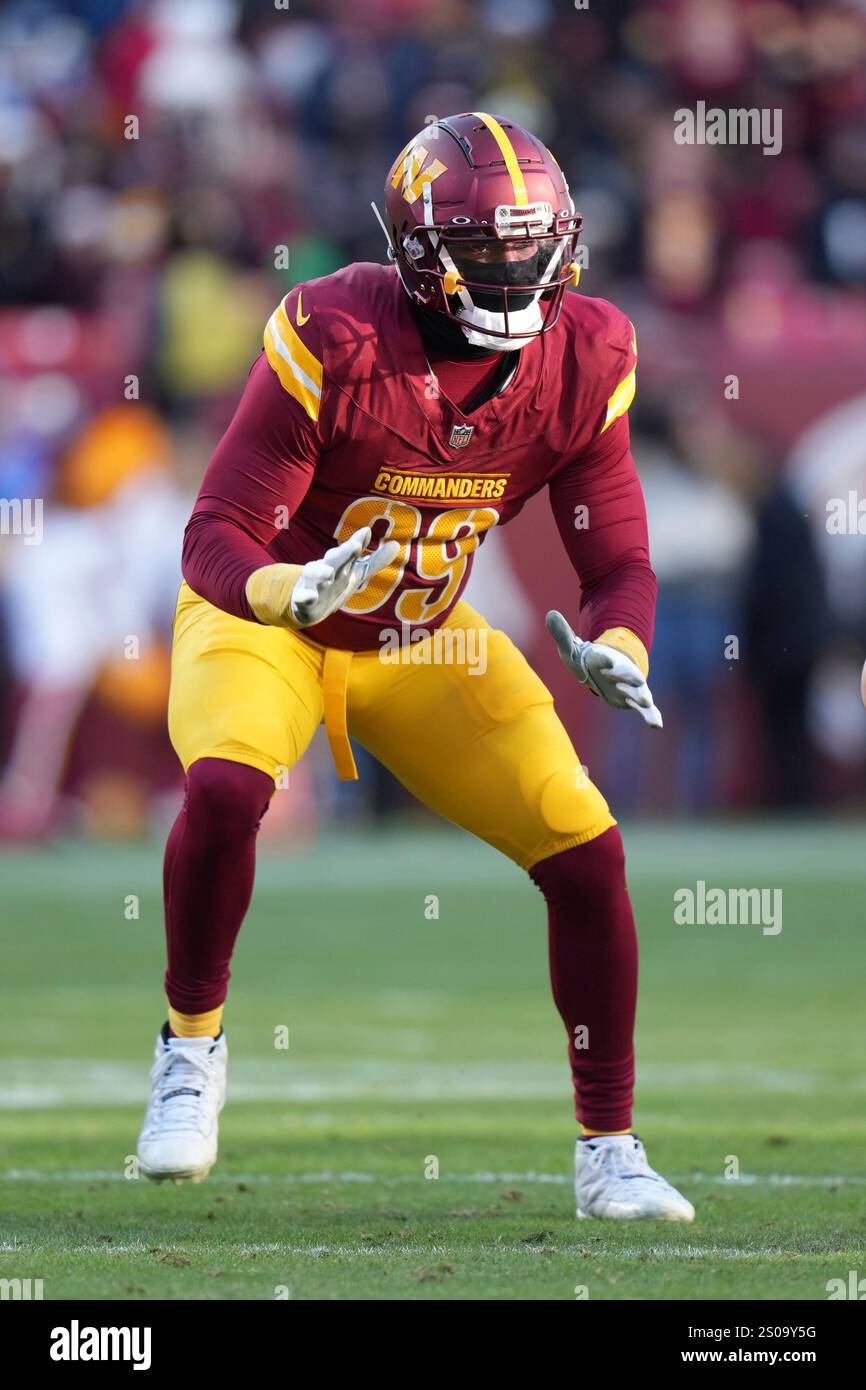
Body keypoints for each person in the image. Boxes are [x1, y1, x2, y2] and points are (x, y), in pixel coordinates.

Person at [137, 113, 693, 1222]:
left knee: (583, 850)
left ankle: (609, 1151)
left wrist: (619, 639)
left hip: (420, 637)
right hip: (270, 619)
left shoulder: (587, 356)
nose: (515, 268)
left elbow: (618, 553)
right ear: (420, 255)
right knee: (228, 785)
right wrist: (282, 590)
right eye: (486, 250)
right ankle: (191, 1049)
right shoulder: (334, 333)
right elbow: (212, 532)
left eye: (532, 245)